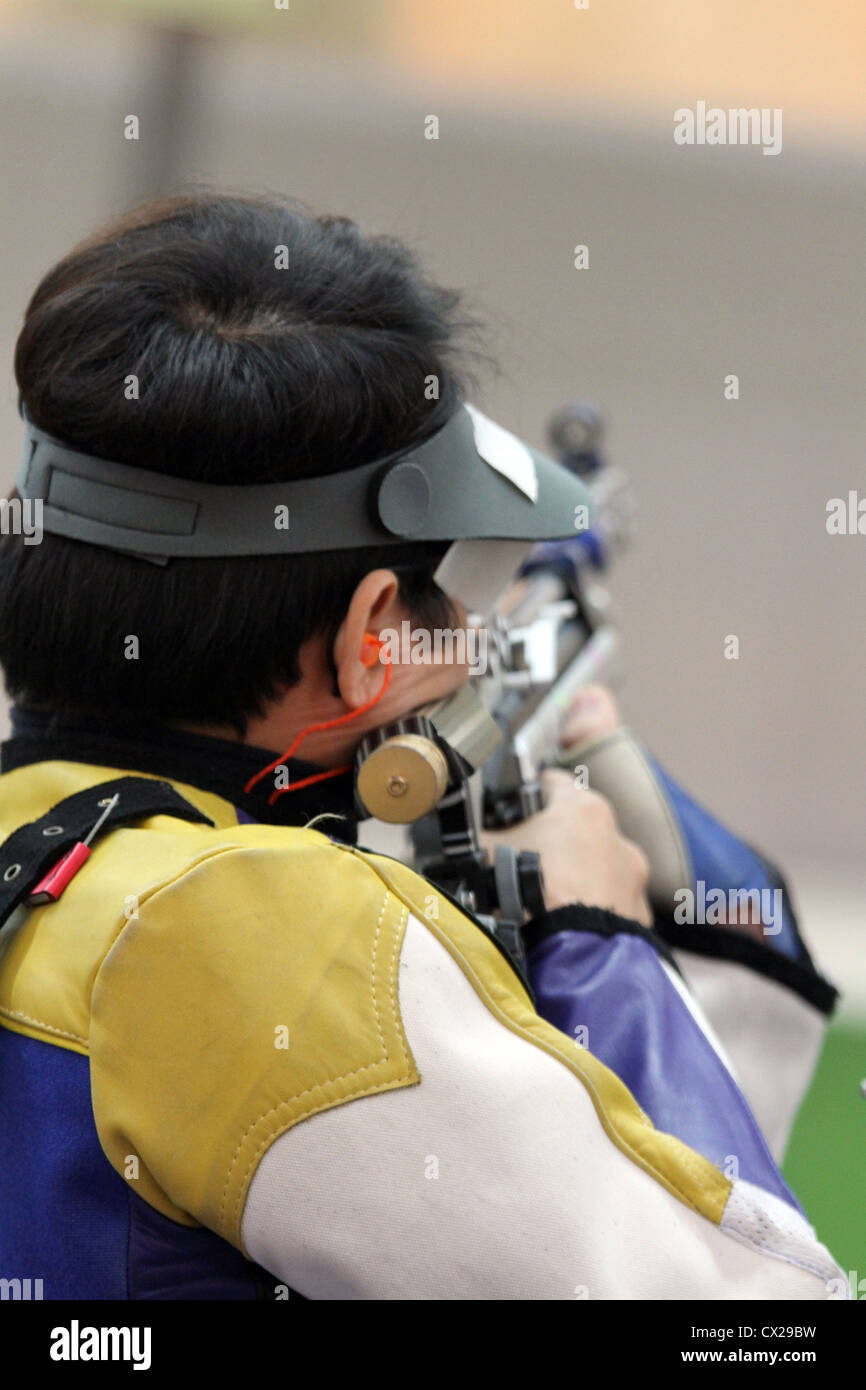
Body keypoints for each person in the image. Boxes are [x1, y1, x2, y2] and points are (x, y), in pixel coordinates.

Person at [0, 191, 844, 1300]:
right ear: (361, 643)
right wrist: (596, 939)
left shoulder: (68, 853)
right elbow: (756, 1316)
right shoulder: (269, 931)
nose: (469, 637)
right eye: (440, 595)